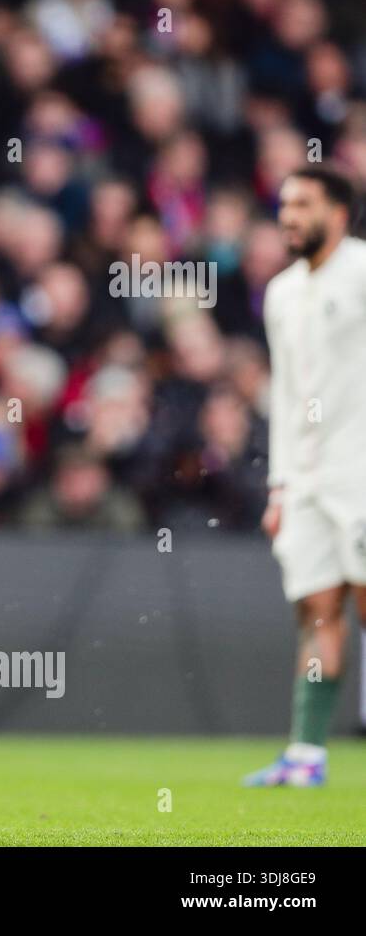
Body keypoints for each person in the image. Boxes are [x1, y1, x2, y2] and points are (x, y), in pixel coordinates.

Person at [244, 166, 366, 787]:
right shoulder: (282, 292)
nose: (288, 216)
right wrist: (281, 485)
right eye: (284, 204)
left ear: (337, 212)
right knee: (317, 612)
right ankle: (306, 755)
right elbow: (288, 395)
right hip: (310, 480)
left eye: (302, 204)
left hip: (362, 472)